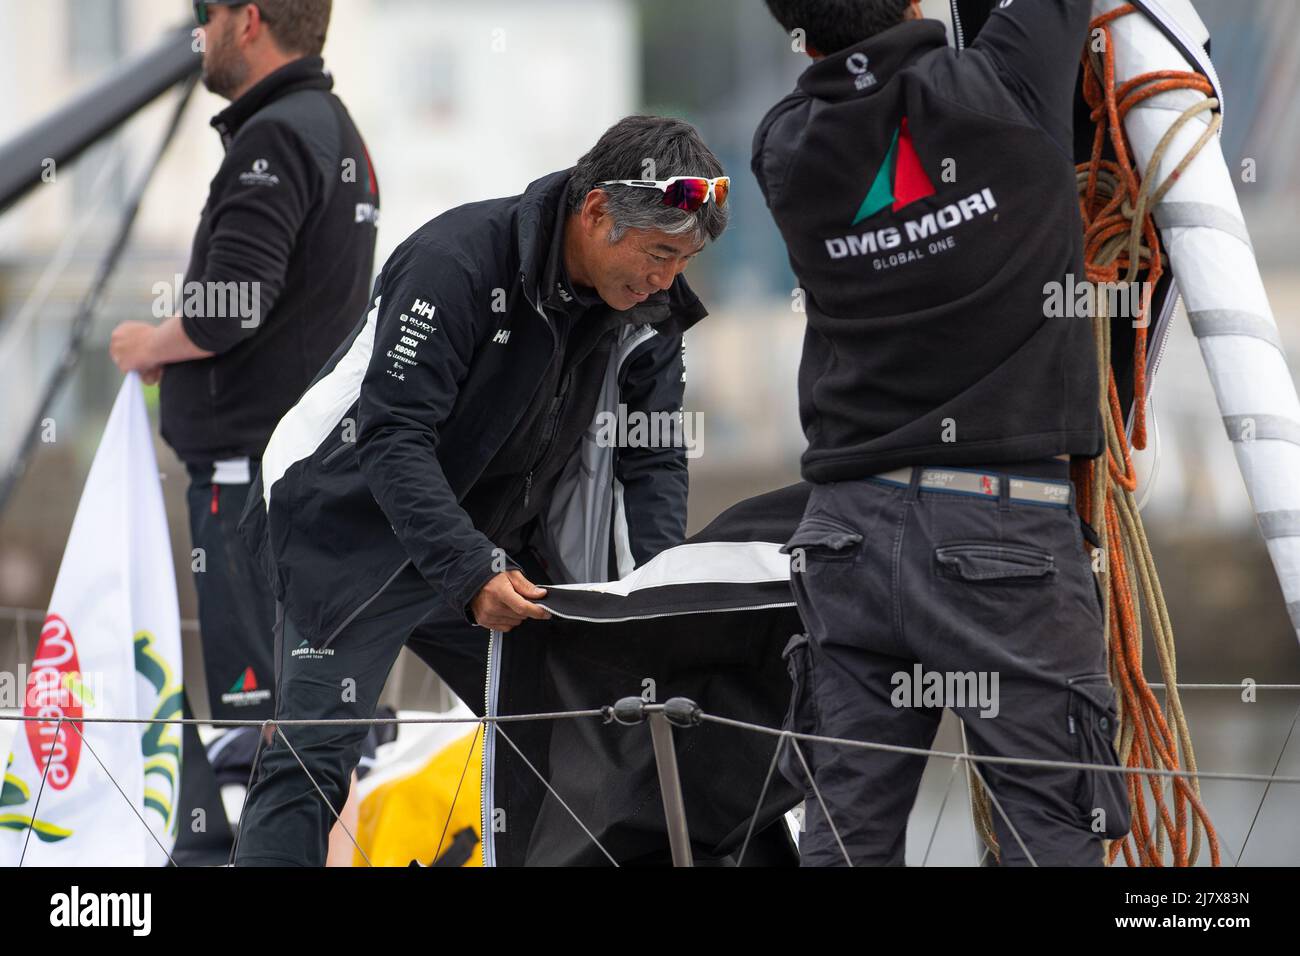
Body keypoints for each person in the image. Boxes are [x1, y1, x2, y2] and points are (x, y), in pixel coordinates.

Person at [232, 115, 729, 866]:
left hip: (485, 539)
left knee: (564, 738)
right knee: (315, 759)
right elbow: (392, 437)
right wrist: (472, 571)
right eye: (660, 253)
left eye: (682, 260)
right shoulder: (455, 262)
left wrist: (656, 596)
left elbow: (650, 460)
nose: (666, 278)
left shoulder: (648, 311)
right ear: (596, 212)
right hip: (342, 530)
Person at [753, 0, 1132, 864]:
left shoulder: (783, 148)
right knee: (1053, 835)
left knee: (844, 841)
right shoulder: (1005, 83)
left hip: (845, 537)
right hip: (1001, 539)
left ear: (800, 38)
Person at [109, 0, 379, 728]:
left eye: (206, 12)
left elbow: (230, 308)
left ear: (249, 18)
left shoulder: (273, 140)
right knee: (314, 721)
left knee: (262, 728)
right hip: (300, 479)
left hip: (249, 486)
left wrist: (148, 346)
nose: (199, 31)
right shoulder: (334, 129)